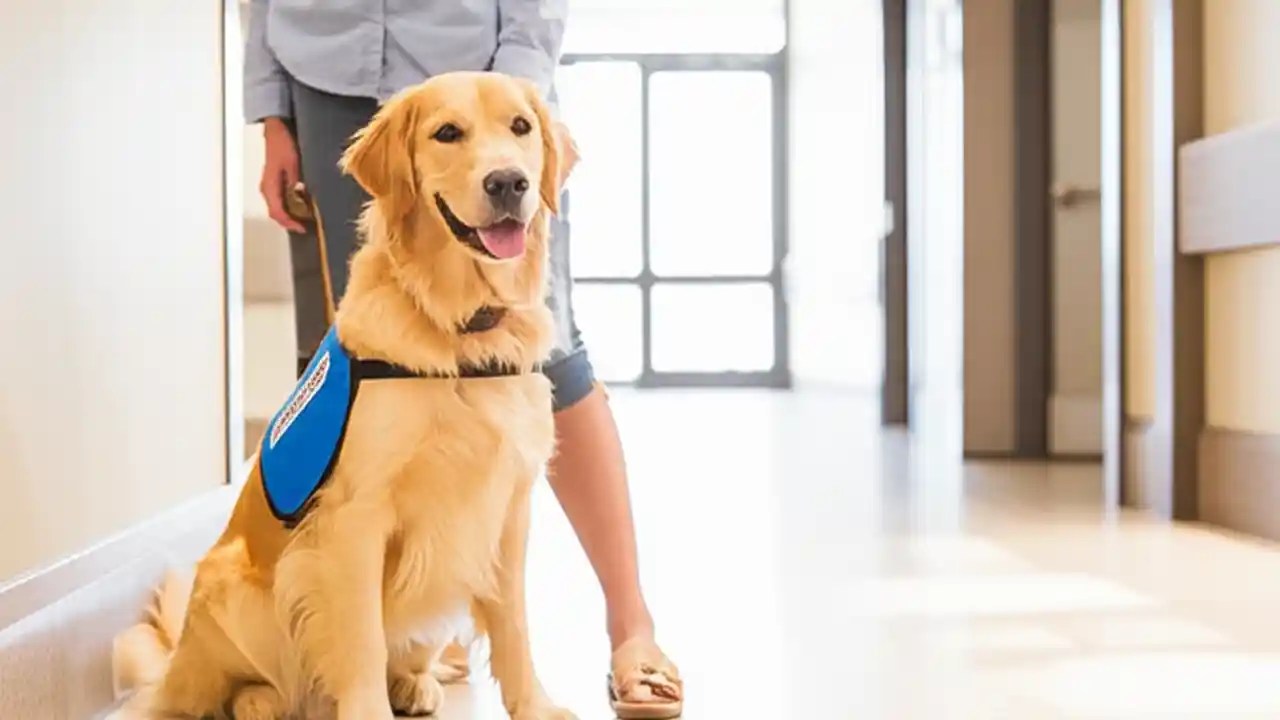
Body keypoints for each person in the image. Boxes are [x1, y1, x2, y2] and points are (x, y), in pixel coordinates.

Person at [244, 1, 682, 717]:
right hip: (321, 64)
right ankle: (384, 644)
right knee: (344, 377)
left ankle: (631, 629)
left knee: (552, 364)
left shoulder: (512, 120)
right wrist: (270, 110)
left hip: (480, 48)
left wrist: (507, 116)